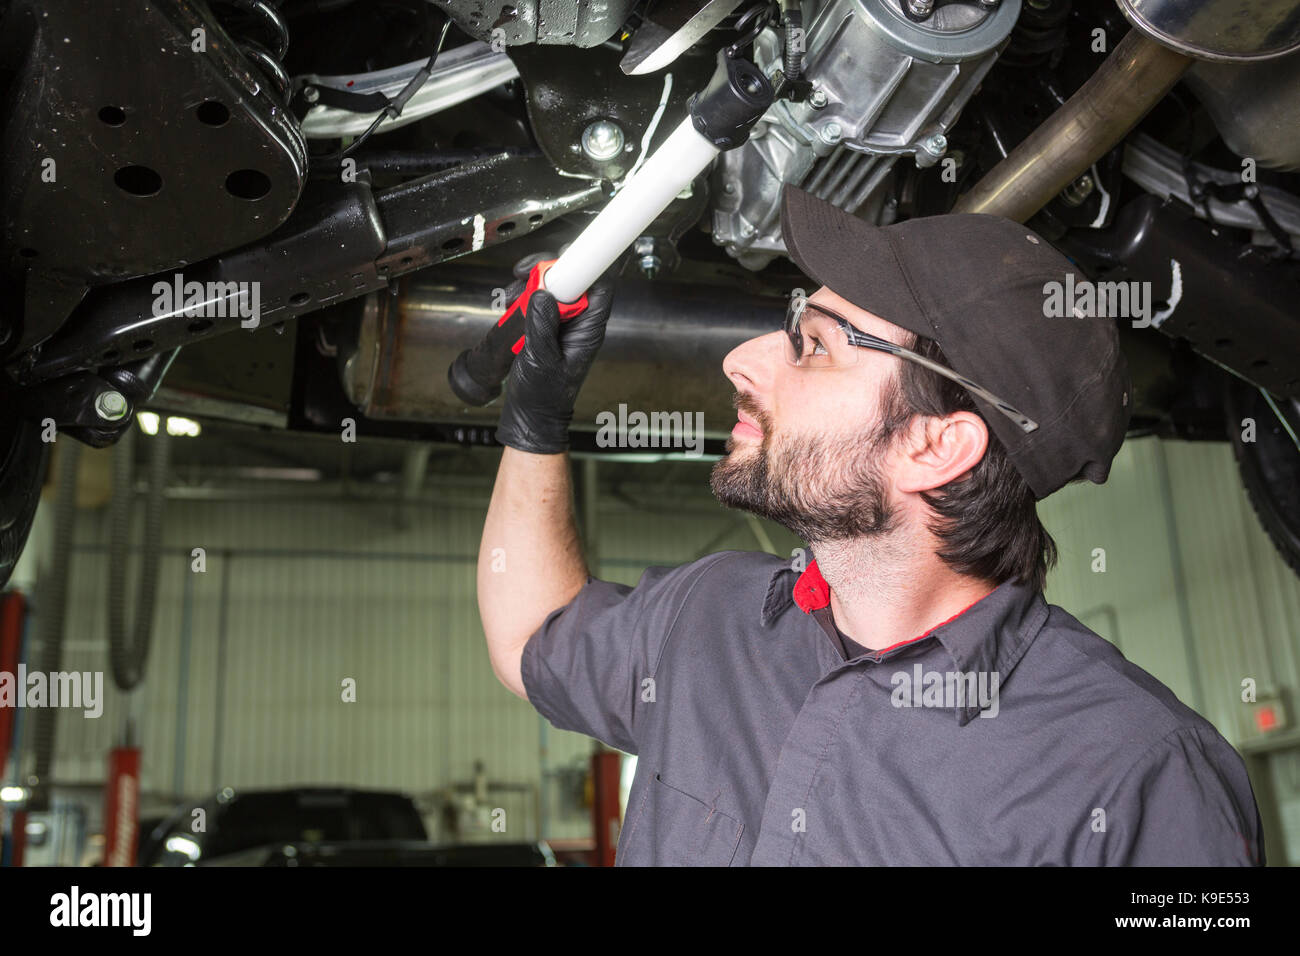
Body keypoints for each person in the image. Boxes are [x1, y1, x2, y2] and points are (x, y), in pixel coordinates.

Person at [475, 183, 1265, 866]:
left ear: (935, 444)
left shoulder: (1143, 774)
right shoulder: (709, 619)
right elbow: (530, 639)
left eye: (813, 346)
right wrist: (536, 423)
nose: (743, 362)